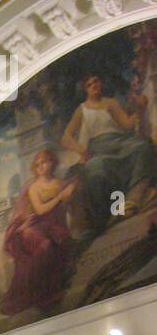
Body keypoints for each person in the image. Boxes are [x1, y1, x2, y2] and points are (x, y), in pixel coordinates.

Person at [60, 74, 157, 231]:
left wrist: (139, 108)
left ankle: (133, 199)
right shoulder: (82, 110)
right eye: (89, 84)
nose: (94, 85)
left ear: (101, 83)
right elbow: (66, 138)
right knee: (95, 168)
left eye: (96, 81)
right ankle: (112, 213)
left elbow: (126, 124)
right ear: (86, 89)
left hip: (119, 143)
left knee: (143, 146)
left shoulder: (111, 103)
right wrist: (81, 151)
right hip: (99, 148)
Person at [0, 149, 76, 316]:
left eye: (45, 162)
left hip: (55, 226)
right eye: (38, 164)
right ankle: (37, 294)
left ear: (52, 163)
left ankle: (48, 290)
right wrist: (59, 198)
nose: (42, 167)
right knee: (45, 245)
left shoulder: (60, 183)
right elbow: (40, 210)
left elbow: (71, 201)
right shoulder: (33, 187)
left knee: (61, 242)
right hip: (35, 226)